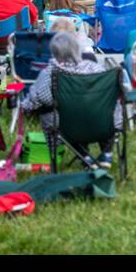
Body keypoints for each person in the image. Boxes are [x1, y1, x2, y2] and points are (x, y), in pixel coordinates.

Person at [21, 30, 122, 169]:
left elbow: (40, 99)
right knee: (98, 109)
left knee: (65, 114)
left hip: (67, 126)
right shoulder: (96, 69)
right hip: (104, 123)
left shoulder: (51, 73)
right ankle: (106, 153)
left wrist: (24, 106)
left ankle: (85, 156)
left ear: (54, 51)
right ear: (76, 48)